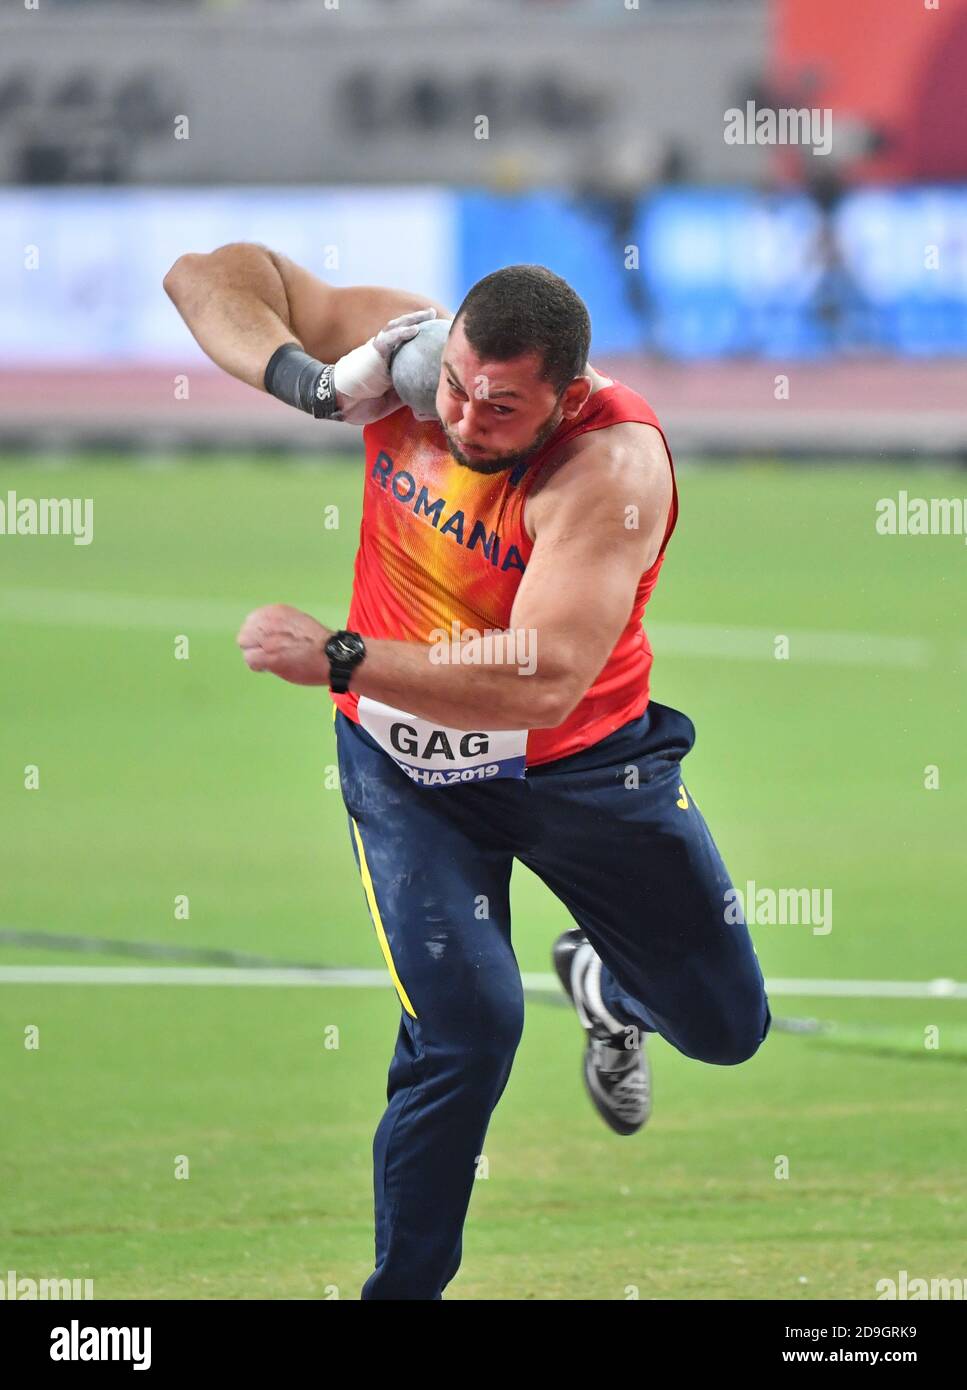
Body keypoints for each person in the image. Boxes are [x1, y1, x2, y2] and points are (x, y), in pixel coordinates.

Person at [163, 248, 772, 1300]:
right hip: (409, 776)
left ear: (564, 396)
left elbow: (538, 680)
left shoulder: (610, 469)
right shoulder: (409, 352)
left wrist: (340, 657)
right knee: (467, 1025)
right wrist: (310, 379)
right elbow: (206, 274)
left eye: (499, 407)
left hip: (589, 769)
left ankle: (606, 984)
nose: (461, 418)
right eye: (453, 385)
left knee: (727, 1029)